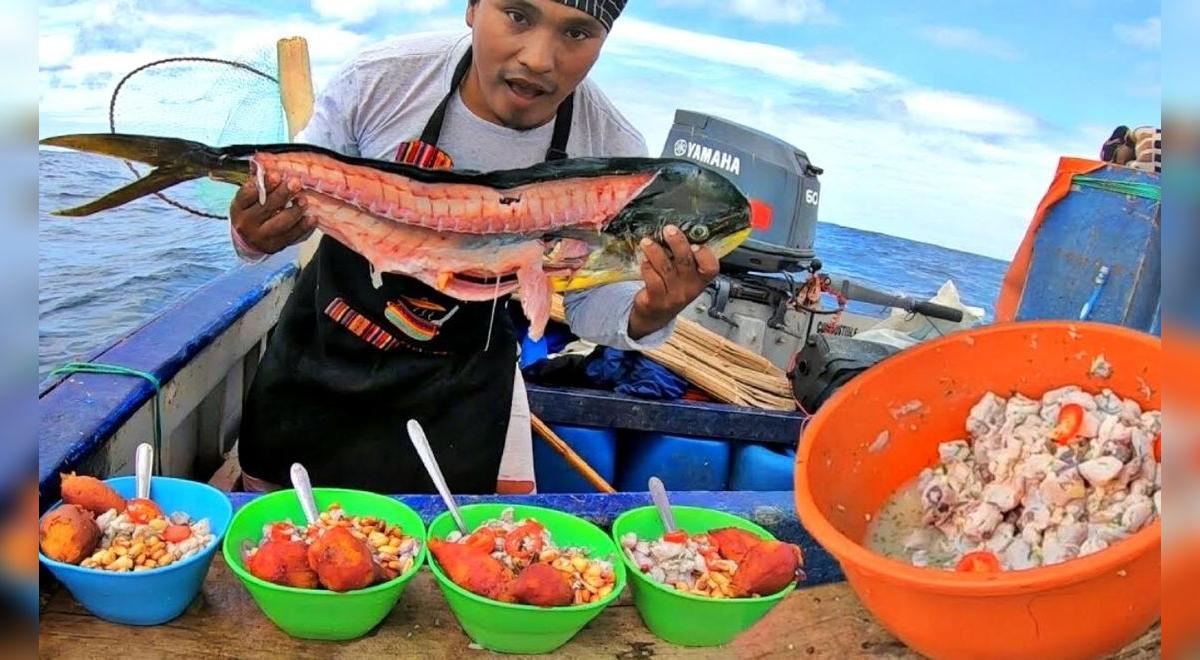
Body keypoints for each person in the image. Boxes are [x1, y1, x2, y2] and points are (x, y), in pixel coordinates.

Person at [227, 0, 721, 494]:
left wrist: (652, 311)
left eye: (577, 33)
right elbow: (286, 196)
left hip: (459, 391)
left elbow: (589, 301)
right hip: (321, 364)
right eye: (518, 16)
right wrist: (251, 235)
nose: (538, 58)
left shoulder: (613, 153)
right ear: (472, 7)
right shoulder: (381, 81)